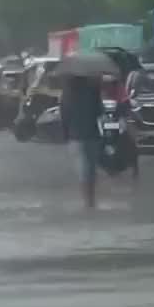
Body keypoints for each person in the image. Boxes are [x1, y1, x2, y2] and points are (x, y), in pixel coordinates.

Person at [59, 74, 104, 208]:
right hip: (93, 134)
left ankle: (87, 202)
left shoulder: (67, 94)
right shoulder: (93, 90)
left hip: (75, 137)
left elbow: (64, 116)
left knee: (83, 170)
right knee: (91, 169)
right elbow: (100, 112)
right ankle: (92, 200)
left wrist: (65, 135)